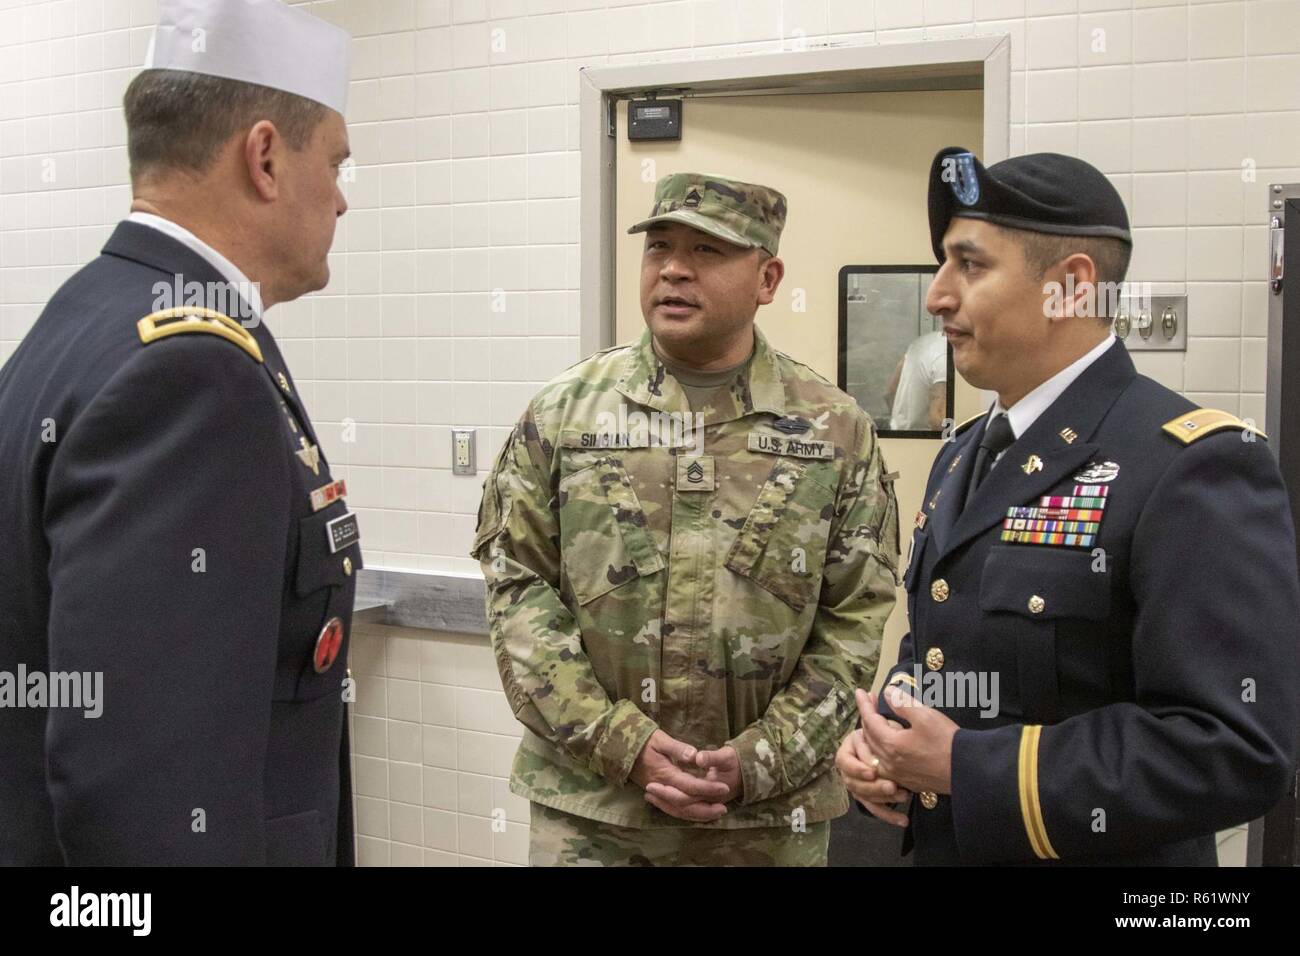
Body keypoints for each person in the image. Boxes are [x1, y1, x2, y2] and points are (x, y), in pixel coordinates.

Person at [836, 147, 1300, 865]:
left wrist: (965, 766)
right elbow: (944, 644)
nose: (936, 296)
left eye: (970, 265)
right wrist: (890, 736)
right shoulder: (964, 454)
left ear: (1071, 287)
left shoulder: (1190, 463)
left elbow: (1236, 750)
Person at [0, 0, 359, 865]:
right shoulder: (192, 374)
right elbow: (150, 786)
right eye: (337, 163)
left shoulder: (85, 316)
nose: (343, 200)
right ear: (265, 157)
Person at [472, 173, 900, 866]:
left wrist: (763, 759)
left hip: (765, 823)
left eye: (707, 251)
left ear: (768, 278)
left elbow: (856, 617)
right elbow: (518, 591)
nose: (673, 268)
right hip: (593, 815)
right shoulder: (564, 414)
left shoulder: (834, 429)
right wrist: (619, 741)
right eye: (660, 247)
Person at [885, 328, 947, 430]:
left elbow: (891, 391)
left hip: (899, 436)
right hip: (926, 441)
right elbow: (939, 419)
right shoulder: (946, 356)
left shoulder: (923, 342)